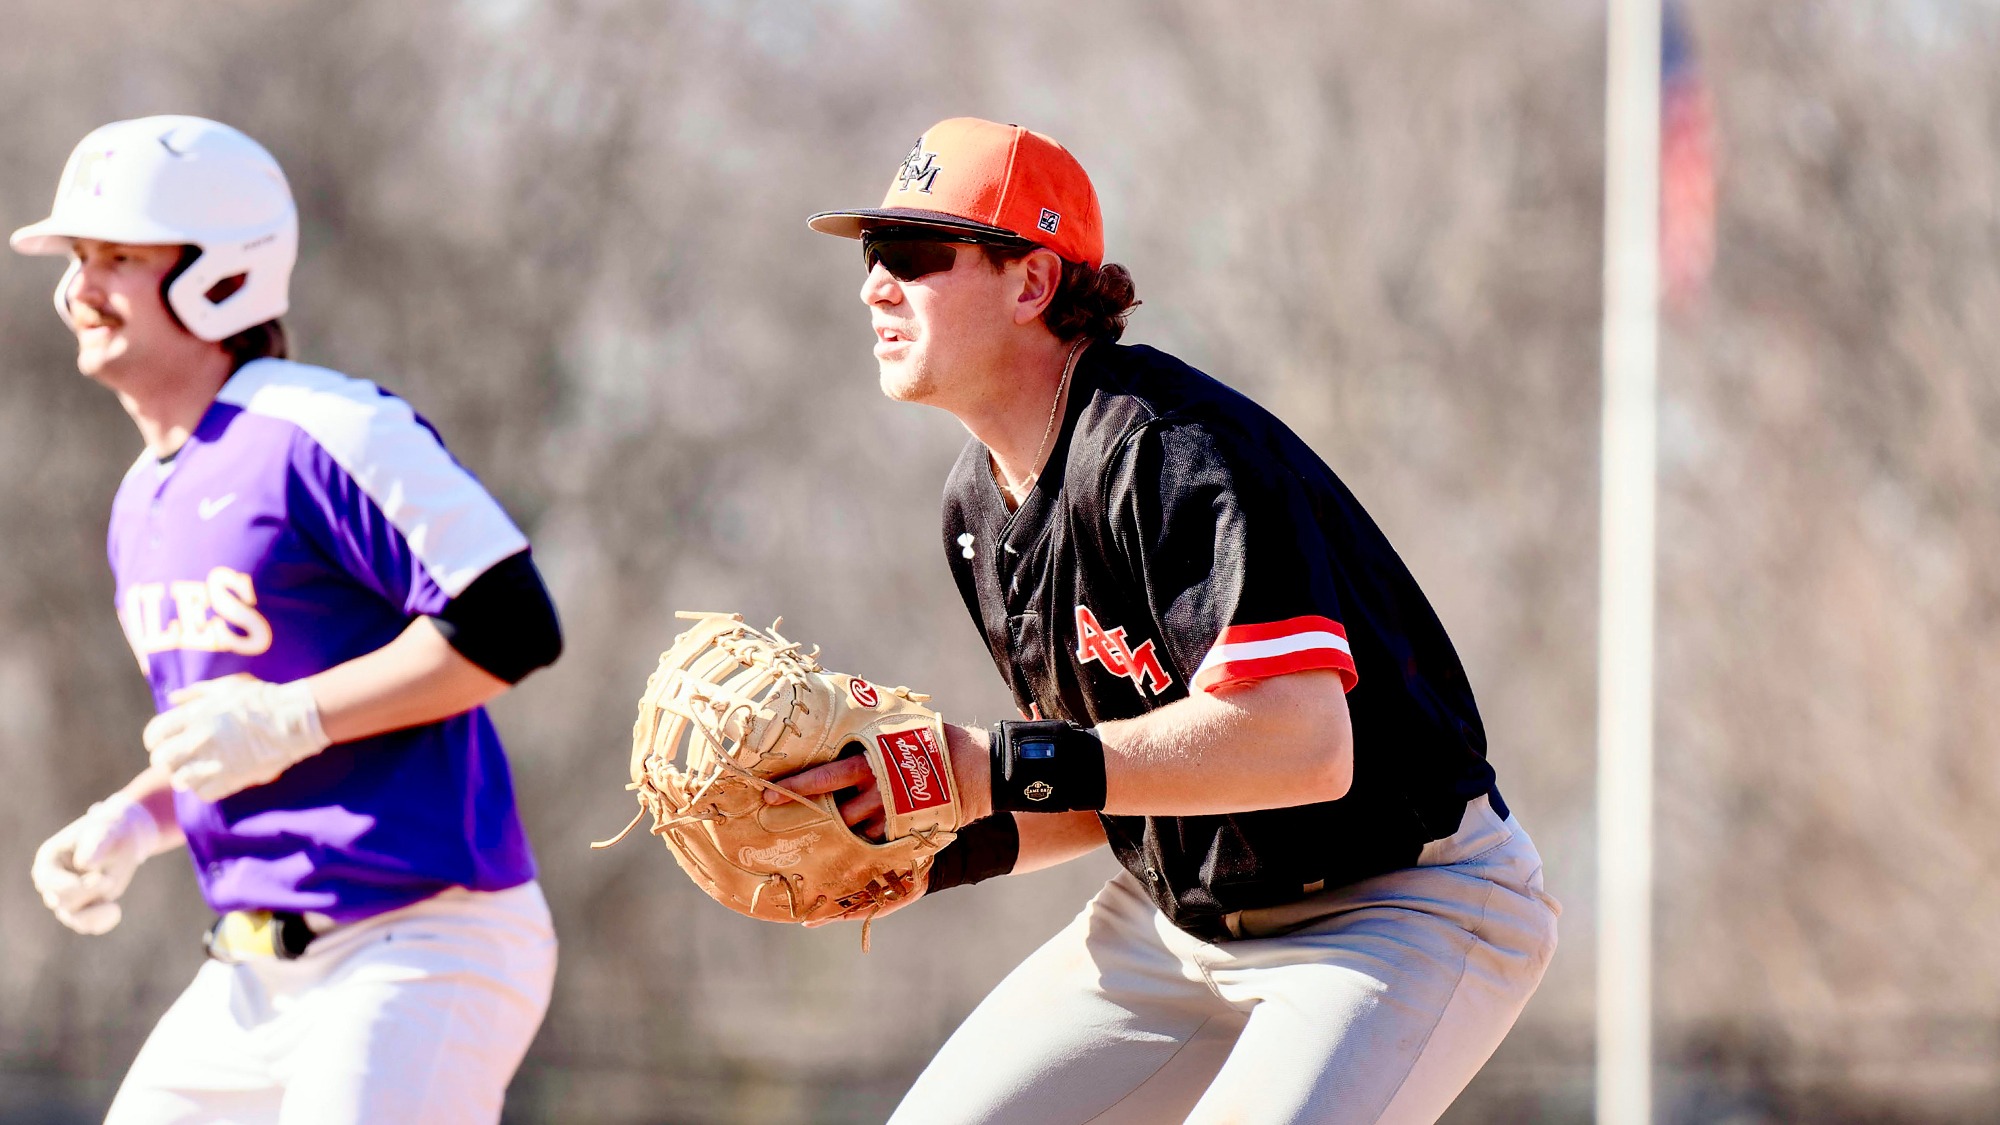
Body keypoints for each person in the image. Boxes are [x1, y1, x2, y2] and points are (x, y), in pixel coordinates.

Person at [785, 117, 1562, 1123]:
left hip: (1395, 908)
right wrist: (939, 841)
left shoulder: (1170, 453)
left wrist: (993, 766)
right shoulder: (976, 512)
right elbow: (1123, 775)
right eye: (870, 255)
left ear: (1029, 282)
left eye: (914, 255)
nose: (873, 286)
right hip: (1173, 927)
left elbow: (1301, 747)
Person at [16, 115, 562, 1124]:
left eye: (119, 258)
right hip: (248, 969)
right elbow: (225, 744)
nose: (78, 290)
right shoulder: (142, 496)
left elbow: (510, 624)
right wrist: (133, 820)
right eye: (77, 258)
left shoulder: (323, 426)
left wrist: (288, 718)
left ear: (222, 275)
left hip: (423, 941)